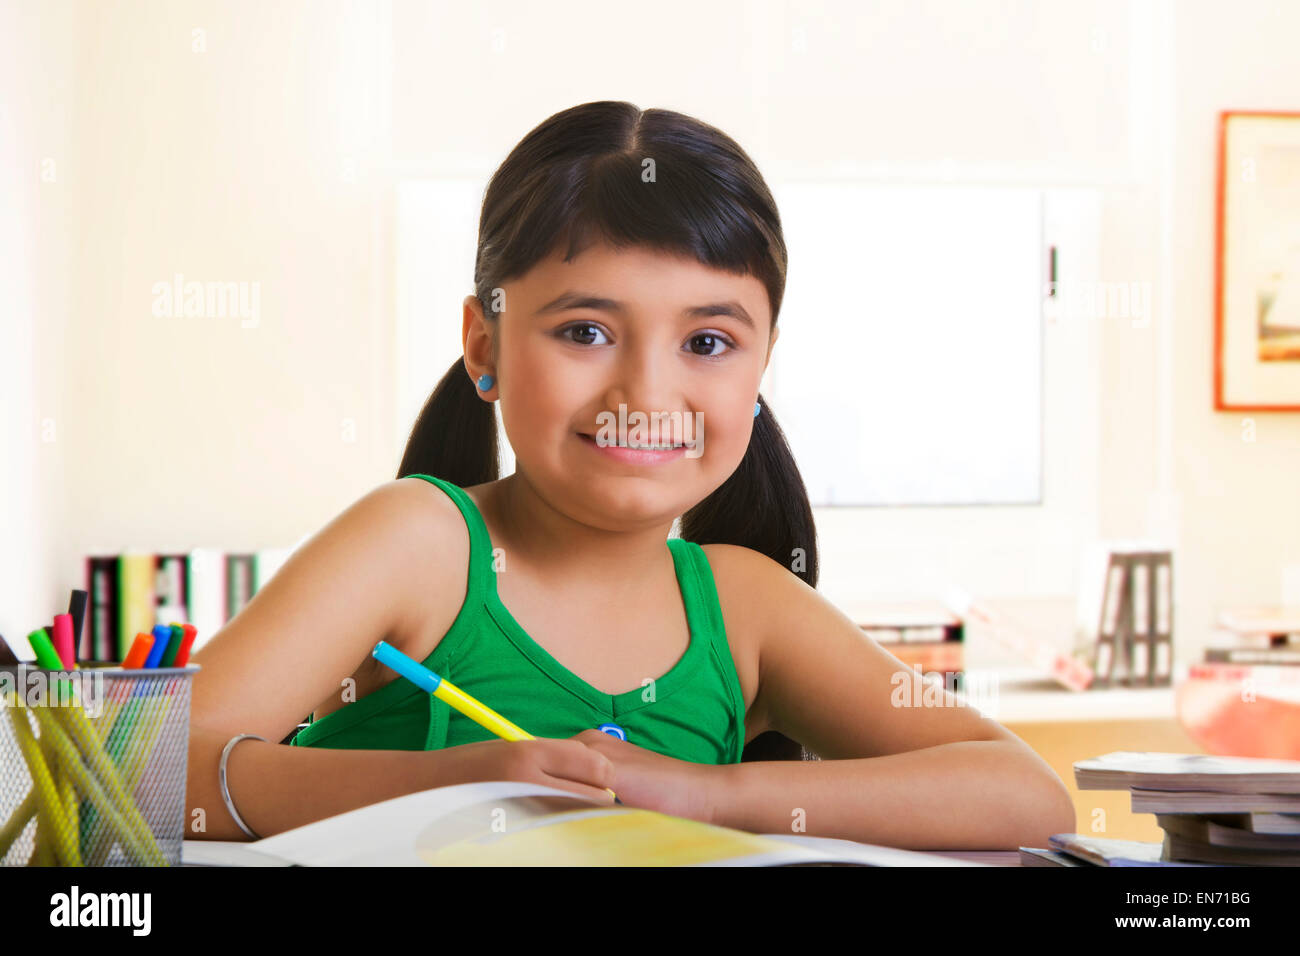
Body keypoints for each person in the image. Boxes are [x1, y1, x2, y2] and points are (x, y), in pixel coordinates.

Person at [186, 100, 1075, 850]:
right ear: (483, 346)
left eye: (708, 343)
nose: (646, 392)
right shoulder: (416, 543)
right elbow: (145, 770)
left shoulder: (744, 605)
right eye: (585, 331)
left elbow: (1022, 795)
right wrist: (458, 784)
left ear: (761, 367)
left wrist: (703, 794)